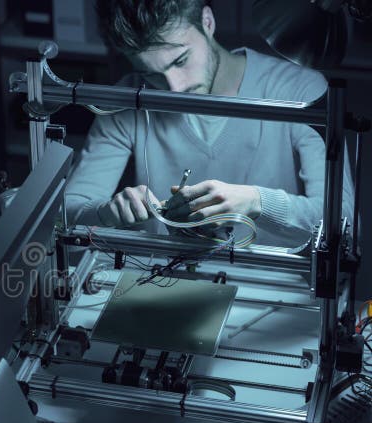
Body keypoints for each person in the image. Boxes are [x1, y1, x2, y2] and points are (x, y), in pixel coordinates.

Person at [64, 0, 354, 248]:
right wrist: (106, 212)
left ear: (207, 21)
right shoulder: (128, 99)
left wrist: (256, 202)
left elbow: (345, 223)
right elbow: (64, 214)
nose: (174, 88)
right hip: (164, 284)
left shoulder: (298, 91)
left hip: (273, 292)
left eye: (181, 60)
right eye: (151, 74)